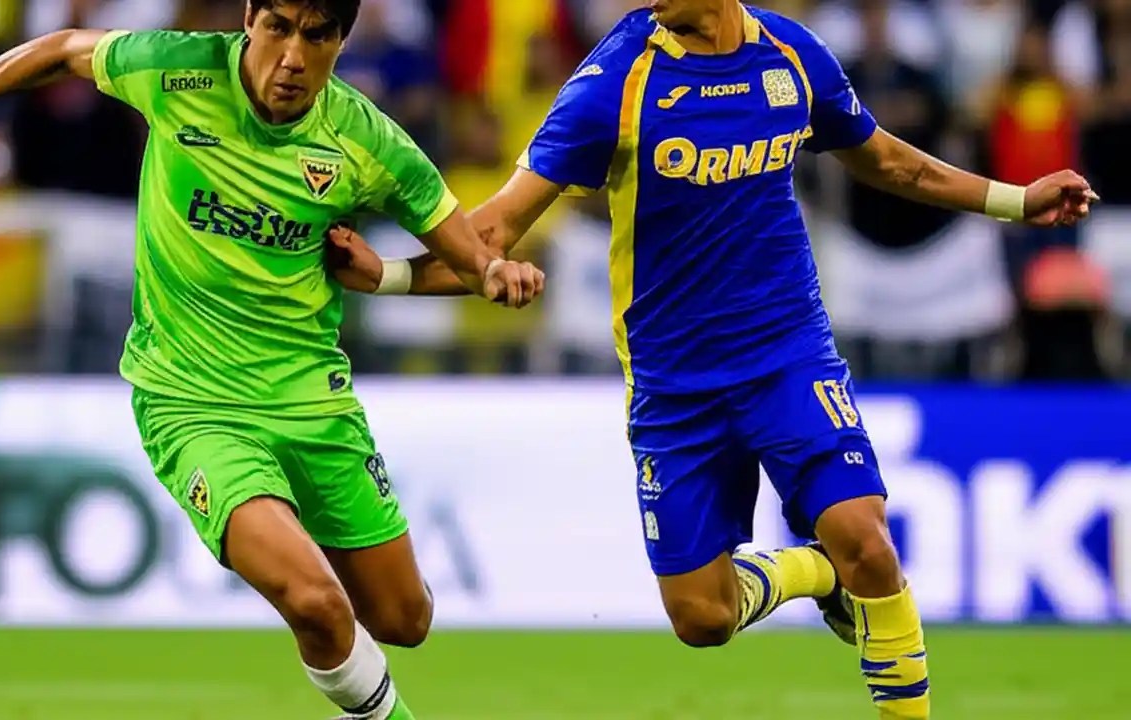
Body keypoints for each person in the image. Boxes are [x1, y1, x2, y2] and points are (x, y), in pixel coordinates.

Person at [327, 1, 1098, 718]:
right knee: (702, 617)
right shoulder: (615, 79)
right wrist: (389, 276)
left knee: (865, 537)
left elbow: (889, 162)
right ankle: (815, 571)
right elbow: (494, 231)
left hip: (787, 356)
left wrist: (1014, 199)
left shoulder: (791, 56)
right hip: (674, 387)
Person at [0, 2, 546, 718]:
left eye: (316, 36)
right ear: (249, 18)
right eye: (278, 27)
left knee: (403, 618)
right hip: (192, 405)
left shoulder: (368, 141)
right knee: (318, 605)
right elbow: (63, 47)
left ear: (341, 41)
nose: (292, 56)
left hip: (314, 404)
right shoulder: (178, 71)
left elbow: (471, 257)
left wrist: (481, 275)